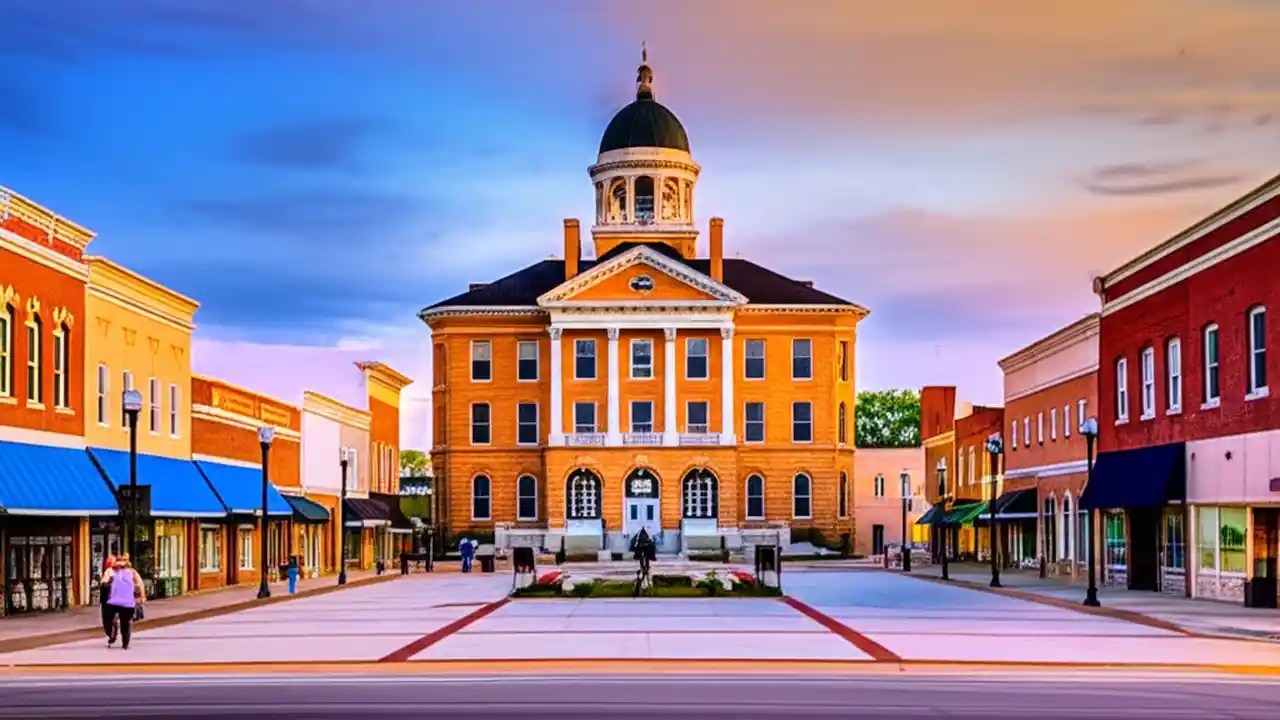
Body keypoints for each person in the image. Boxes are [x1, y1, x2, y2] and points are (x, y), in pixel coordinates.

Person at [102, 554, 144, 650]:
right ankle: (125, 642)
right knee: (126, 623)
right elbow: (138, 586)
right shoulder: (131, 573)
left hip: (115, 602)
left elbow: (105, 585)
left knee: (116, 620)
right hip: (127, 603)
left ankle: (115, 636)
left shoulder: (113, 574)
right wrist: (139, 597)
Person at [99, 554, 116, 642]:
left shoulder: (108, 572)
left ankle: (110, 633)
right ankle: (112, 631)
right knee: (112, 617)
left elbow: (104, 585)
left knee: (106, 618)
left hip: (107, 599)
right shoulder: (118, 572)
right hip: (115, 599)